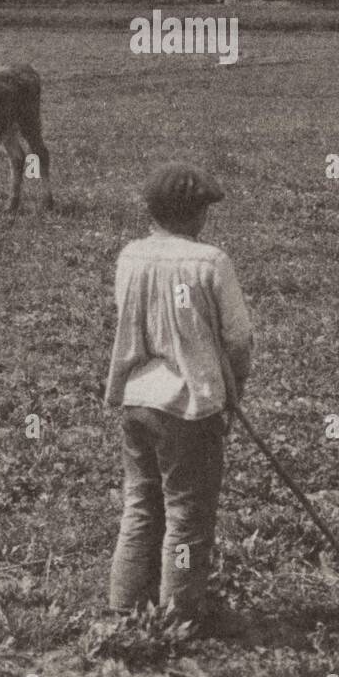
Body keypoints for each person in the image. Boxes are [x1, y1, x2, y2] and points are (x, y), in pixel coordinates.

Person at [105, 162, 253, 625]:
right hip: (190, 408)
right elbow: (239, 339)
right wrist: (234, 391)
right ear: (197, 214)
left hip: (137, 401)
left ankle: (125, 609)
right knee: (187, 517)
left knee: (141, 506)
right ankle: (180, 616)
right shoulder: (210, 261)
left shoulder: (130, 255)